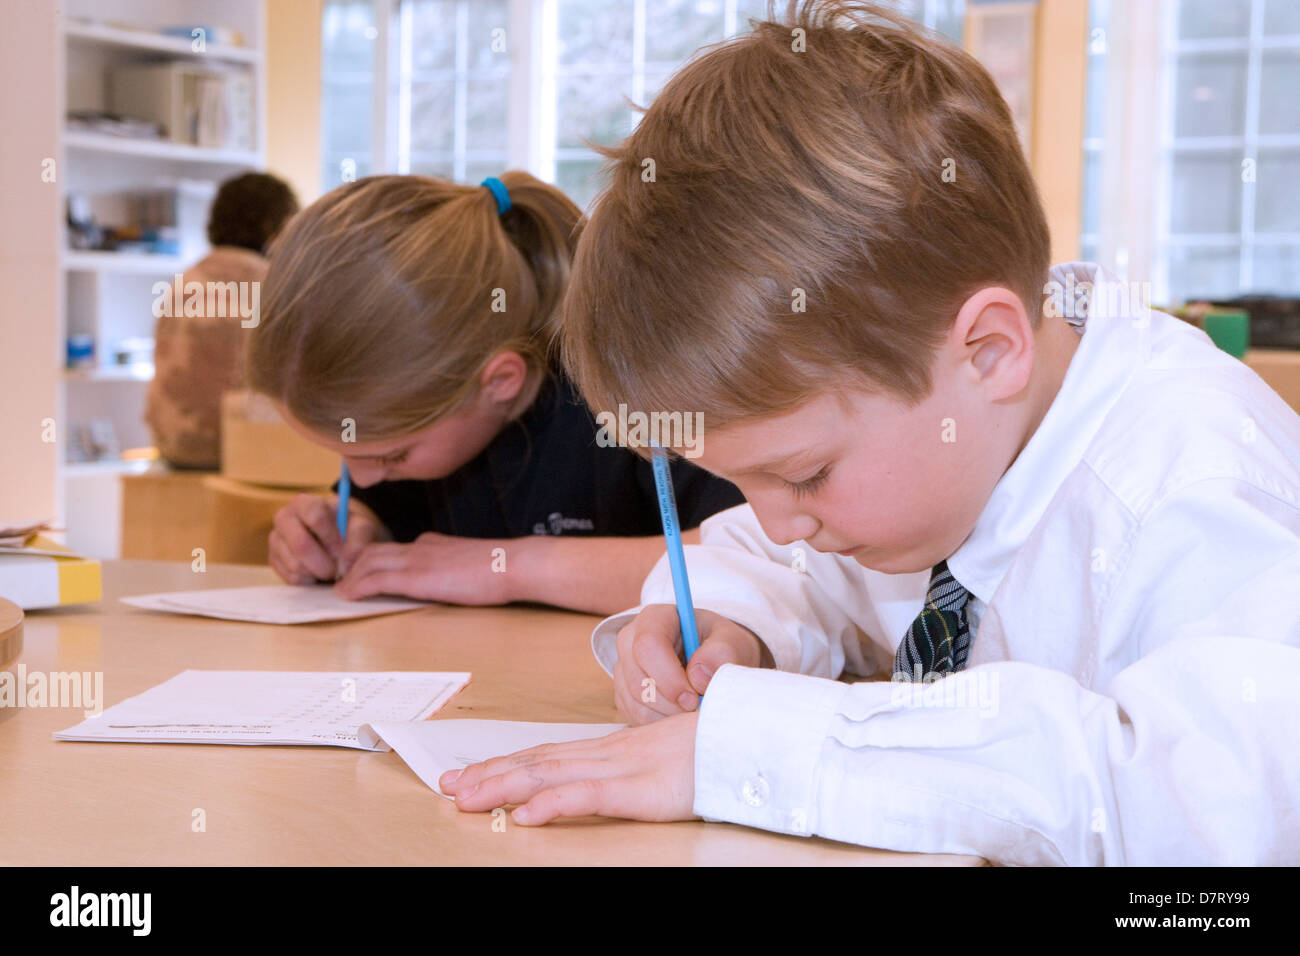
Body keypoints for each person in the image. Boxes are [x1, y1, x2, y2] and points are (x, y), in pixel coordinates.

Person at [440, 0, 1300, 865]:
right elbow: (784, 563)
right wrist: (722, 623)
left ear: (988, 353)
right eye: (745, 482)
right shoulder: (955, 437)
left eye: (806, 476)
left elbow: (1210, 818)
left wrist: (763, 751)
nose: (781, 519)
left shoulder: (1199, 486)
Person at [247, 171, 742, 616]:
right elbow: (385, 515)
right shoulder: (420, 413)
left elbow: (748, 558)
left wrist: (507, 568)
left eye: (391, 456)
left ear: (500, 381)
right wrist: (354, 531)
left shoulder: (640, 382)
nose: (363, 478)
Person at [146, 171, 300, 468]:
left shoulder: (185, 281)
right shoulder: (271, 285)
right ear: (273, 228)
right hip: (236, 453)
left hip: (172, 446)